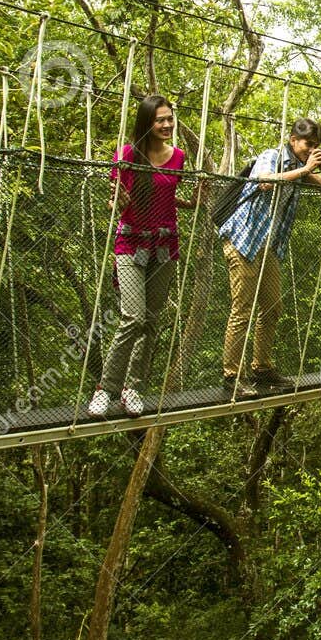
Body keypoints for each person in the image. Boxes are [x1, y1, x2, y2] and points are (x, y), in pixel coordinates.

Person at [89, 95, 202, 417]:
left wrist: (191, 203)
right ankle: (105, 389)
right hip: (130, 242)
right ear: (146, 123)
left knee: (151, 322)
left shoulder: (178, 157)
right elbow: (116, 205)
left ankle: (132, 388)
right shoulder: (126, 154)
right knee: (133, 317)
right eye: (160, 120)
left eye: (170, 119)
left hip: (165, 245)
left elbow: (165, 196)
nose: (167, 125)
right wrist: (119, 201)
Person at [218, 117, 321, 392]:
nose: (312, 149)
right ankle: (231, 377)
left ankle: (261, 368)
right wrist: (305, 168)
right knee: (242, 310)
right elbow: (265, 180)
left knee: (272, 307)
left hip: (267, 245)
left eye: (316, 146)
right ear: (293, 139)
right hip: (243, 240)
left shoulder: (300, 165)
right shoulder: (271, 156)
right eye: (309, 143)